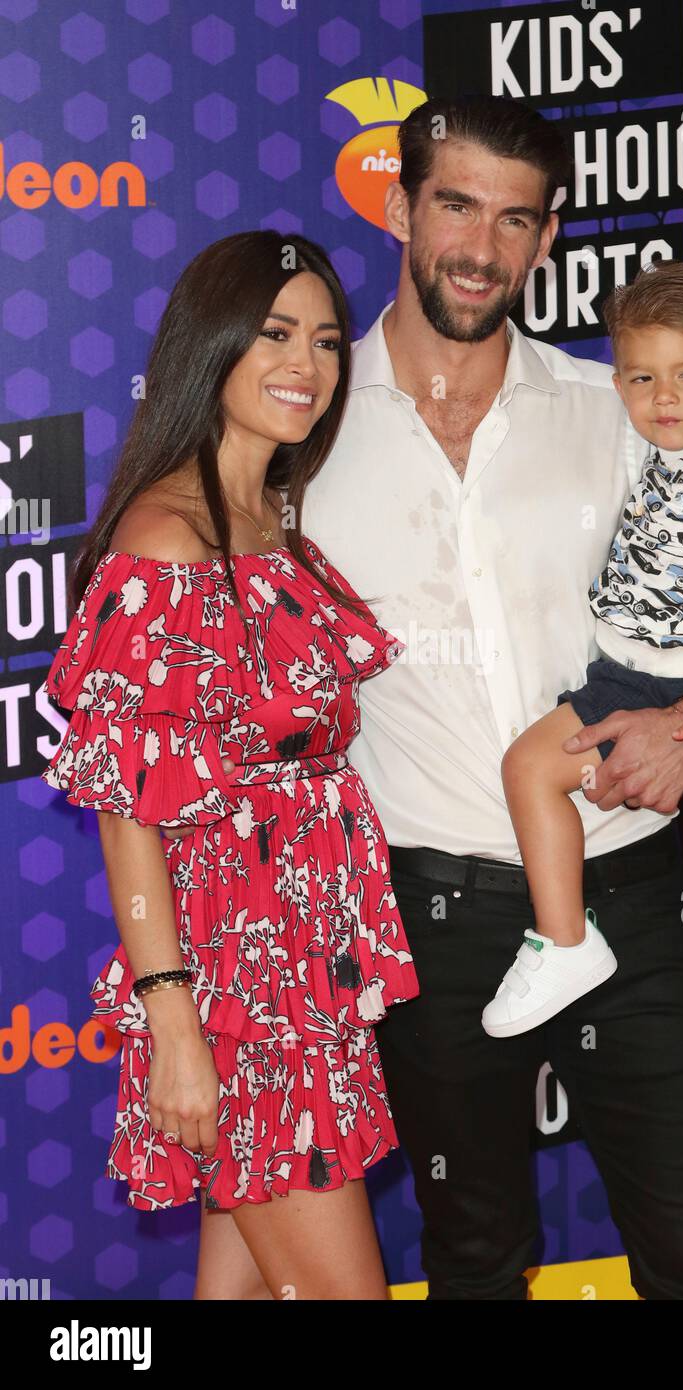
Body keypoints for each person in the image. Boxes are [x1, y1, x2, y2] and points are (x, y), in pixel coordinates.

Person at [294, 95, 683, 1302]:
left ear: (550, 234)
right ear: (401, 204)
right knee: (472, 1259)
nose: (480, 247)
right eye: (455, 205)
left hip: (633, 897)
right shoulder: (302, 424)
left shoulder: (610, 407)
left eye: (514, 219)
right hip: (434, 920)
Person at [40, 230, 419, 1301]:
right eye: (275, 333)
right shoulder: (165, 545)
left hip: (306, 981)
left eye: (328, 340)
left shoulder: (269, 524)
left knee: (242, 1291)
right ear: (212, 347)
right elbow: (128, 813)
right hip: (234, 998)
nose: (308, 363)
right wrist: (176, 1033)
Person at [482, 260, 683, 1037]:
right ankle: (564, 937)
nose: (663, 398)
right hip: (625, 672)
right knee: (537, 773)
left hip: (655, 686)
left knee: (528, 769)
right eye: (641, 378)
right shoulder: (667, 454)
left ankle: (563, 941)